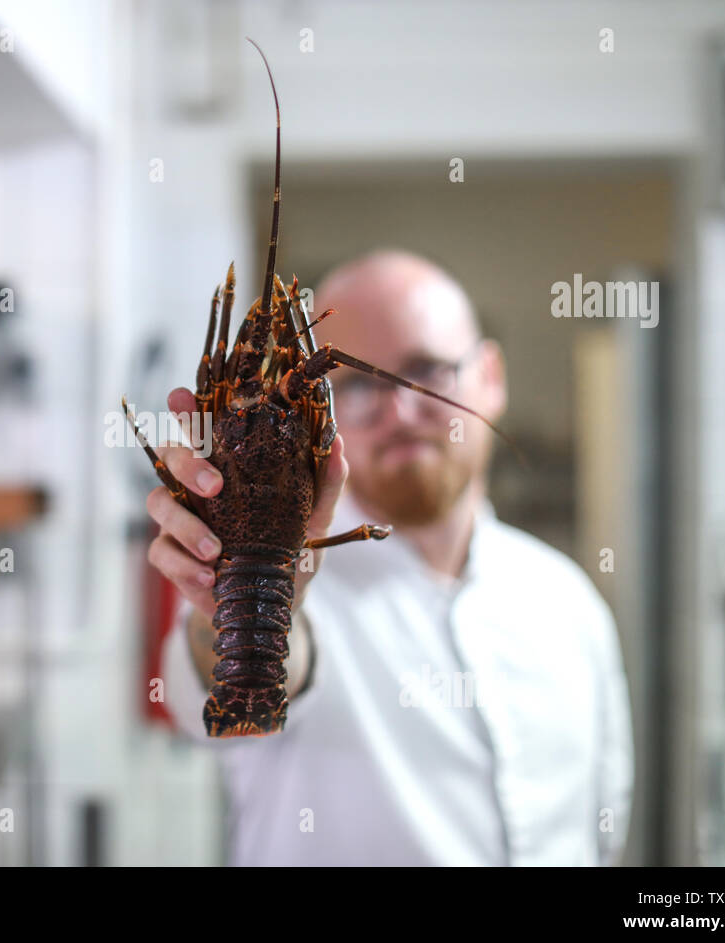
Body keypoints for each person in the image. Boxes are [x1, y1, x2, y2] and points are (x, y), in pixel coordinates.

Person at [148, 249, 634, 866]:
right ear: (322, 409)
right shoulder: (310, 586)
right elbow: (208, 693)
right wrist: (214, 594)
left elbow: (605, 829)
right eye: (355, 387)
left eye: (427, 370)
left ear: (491, 376)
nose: (400, 413)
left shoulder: (570, 601)